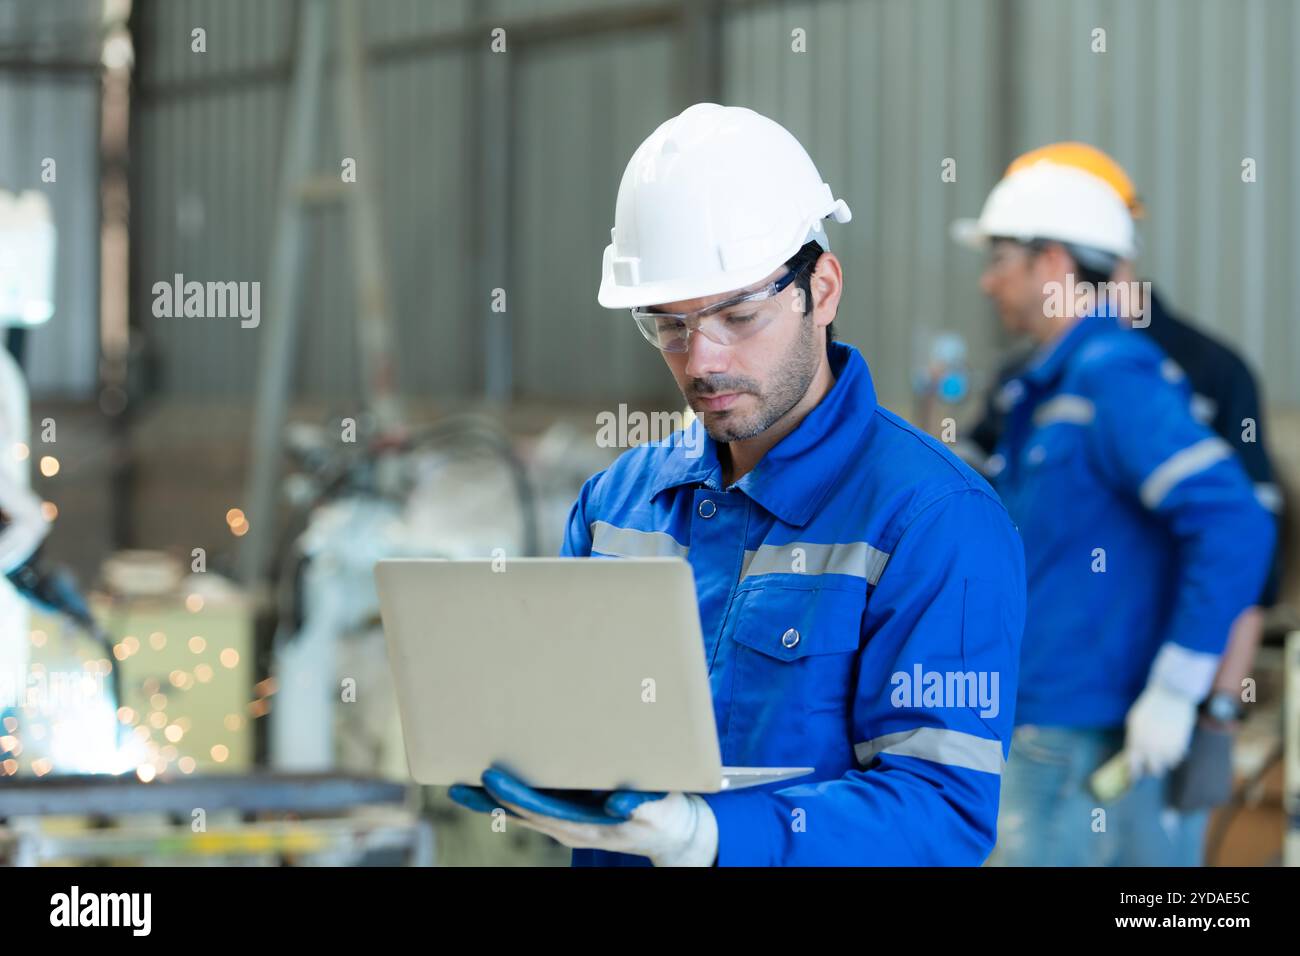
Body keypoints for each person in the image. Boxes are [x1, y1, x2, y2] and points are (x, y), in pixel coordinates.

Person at [450, 103, 1026, 866]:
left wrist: (711, 837)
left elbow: (941, 811)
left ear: (821, 289)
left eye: (738, 316)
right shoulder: (618, 499)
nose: (701, 362)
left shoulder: (934, 521)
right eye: (670, 325)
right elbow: (577, 729)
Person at [950, 151, 1276, 865]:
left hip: (1074, 730)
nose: (989, 280)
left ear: (1054, 264)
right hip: (1045, 715)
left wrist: (1183, 687)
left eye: (1003, 258)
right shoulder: (1042, 387)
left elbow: (1237, 523)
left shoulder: (1113, 379)